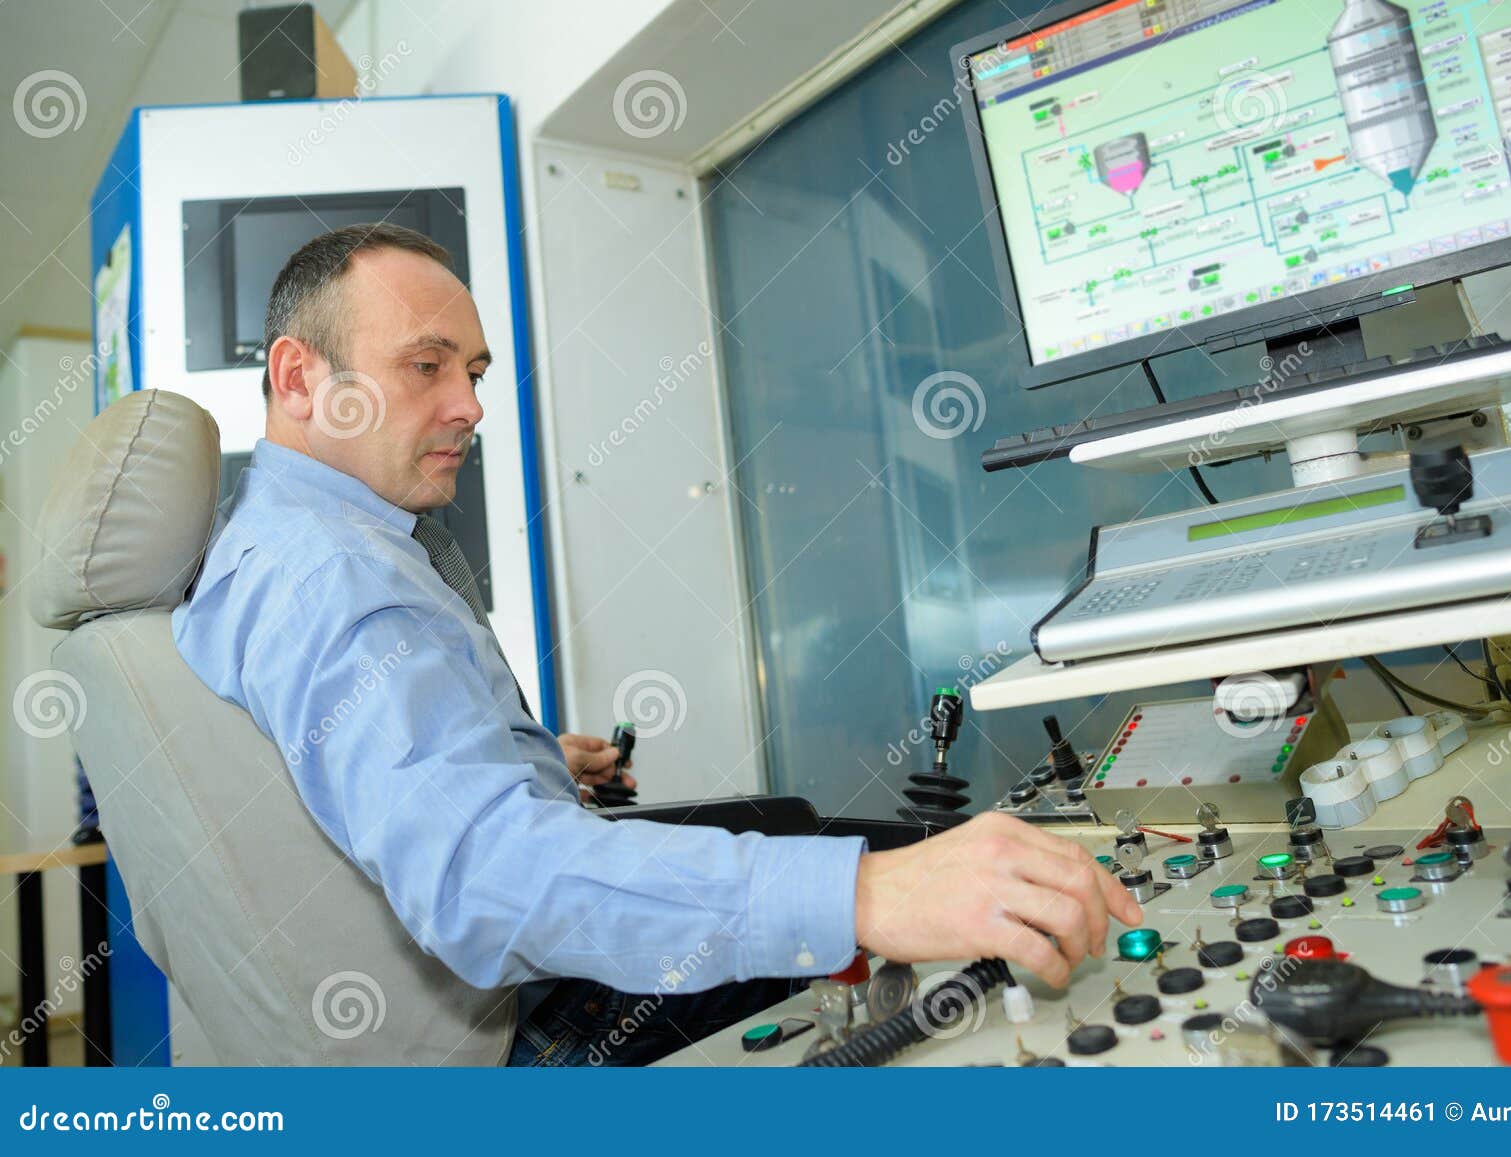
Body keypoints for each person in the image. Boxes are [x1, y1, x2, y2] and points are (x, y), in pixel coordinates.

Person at [172, 223, 1141, 1066]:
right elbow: (486, 880)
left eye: (472, 373)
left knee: (809, 829)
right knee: (896, 894)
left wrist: (516, 759)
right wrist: (865, 892)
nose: (469, 405)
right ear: (300, 375)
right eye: (425, 365)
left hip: (492, 1016)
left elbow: (356, 773)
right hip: (545, 1041)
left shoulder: (272, 544)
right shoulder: (329, 573)